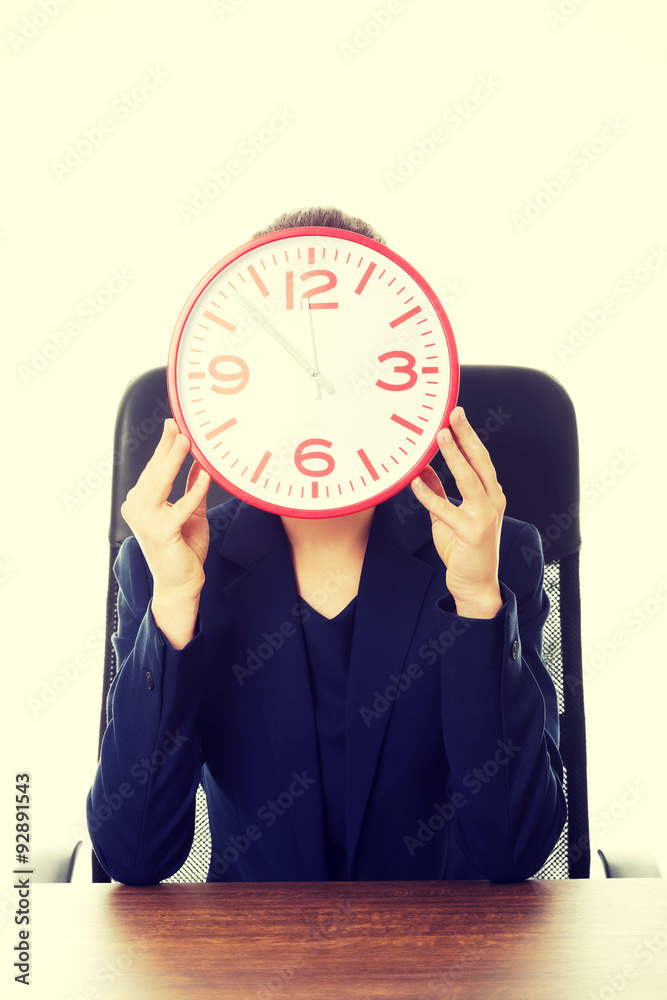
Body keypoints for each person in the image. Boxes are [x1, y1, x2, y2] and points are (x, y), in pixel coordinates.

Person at [87, 206, 566, 885]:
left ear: (402, 383)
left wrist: (477, 600)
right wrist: (172, 609)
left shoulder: (493, 556)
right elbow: (133, 859)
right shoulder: (168, 567)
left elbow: (514, 855)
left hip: (444, 968)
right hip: (252, 972)